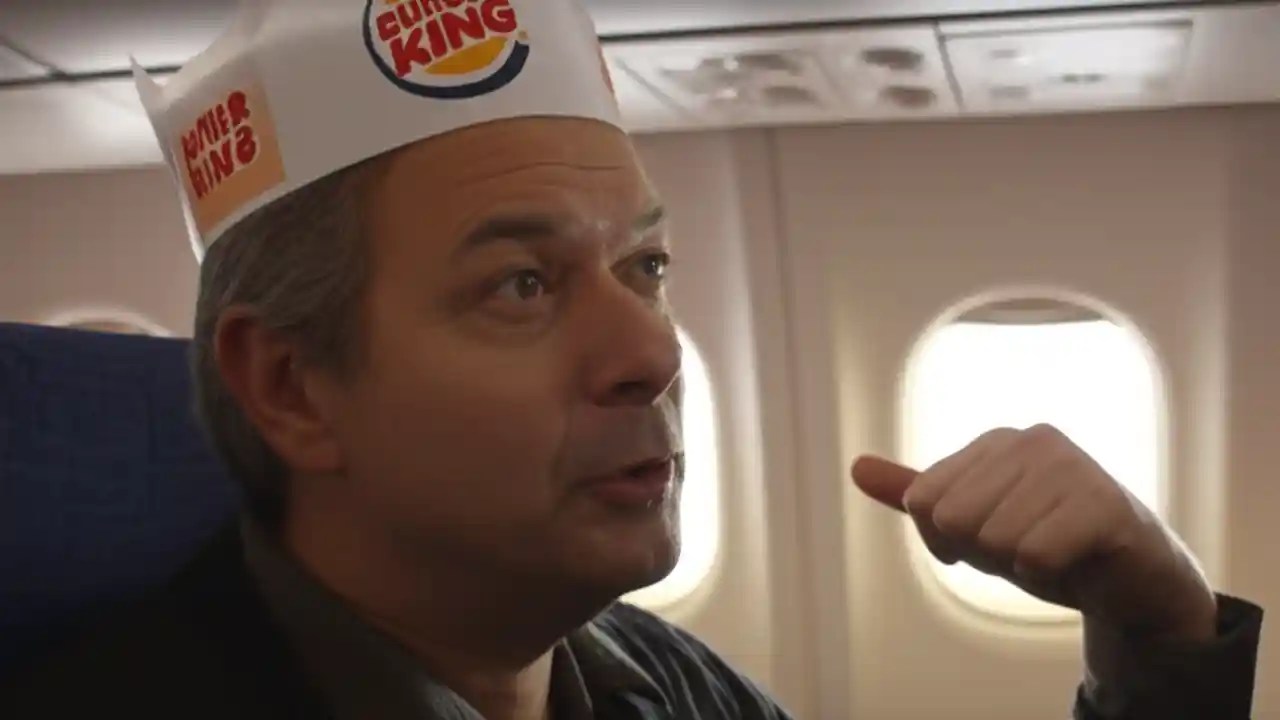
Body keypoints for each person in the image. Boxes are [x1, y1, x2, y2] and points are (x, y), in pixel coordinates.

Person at [1, 0, 1262, 718]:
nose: (652, 351)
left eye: (644, 268)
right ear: (290, 386)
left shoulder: (665, 681)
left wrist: (1156, 637)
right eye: (522, 284)